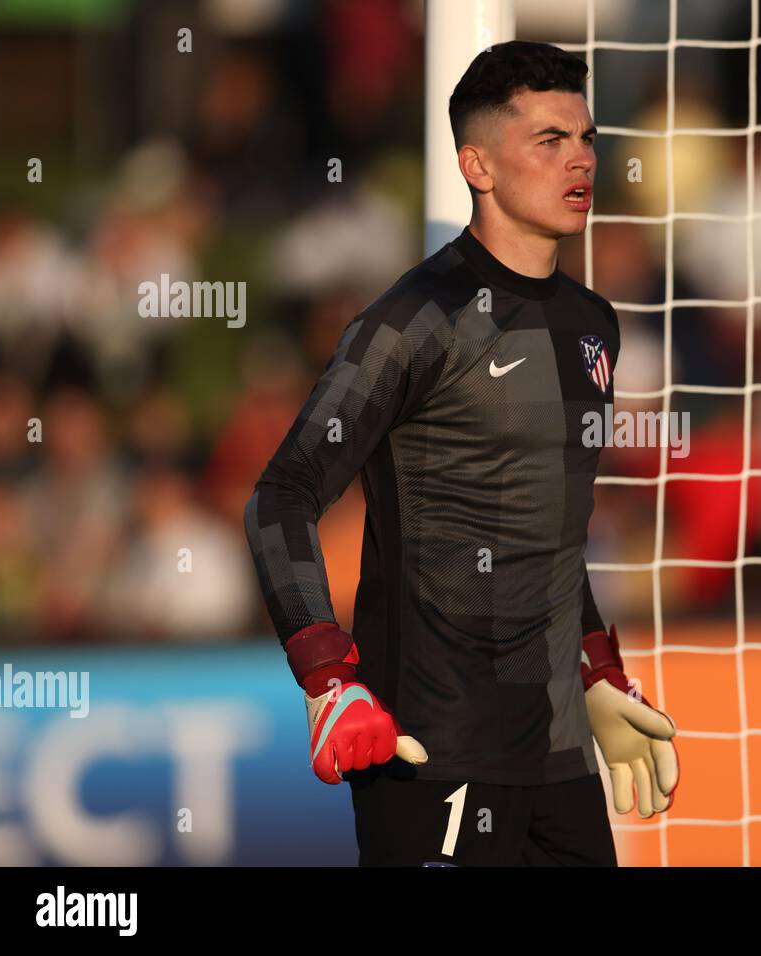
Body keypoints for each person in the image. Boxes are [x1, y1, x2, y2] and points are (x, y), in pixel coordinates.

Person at [244, 40, 679, 866]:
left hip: (557, 762)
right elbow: (282, 494)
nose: (580, 158)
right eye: (549, 140)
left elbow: (547, 530)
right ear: (477, 164)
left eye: (586, 138)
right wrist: (327, 678)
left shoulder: (594, 324)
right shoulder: (413, 322)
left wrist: (595, 671)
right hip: (429, 755)